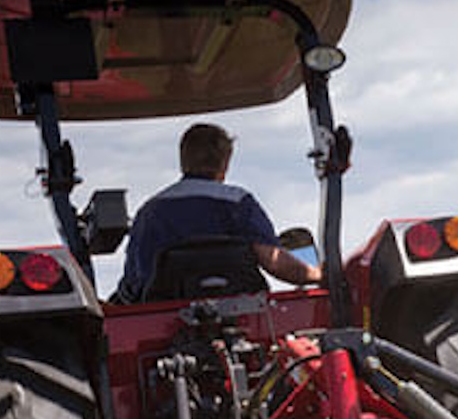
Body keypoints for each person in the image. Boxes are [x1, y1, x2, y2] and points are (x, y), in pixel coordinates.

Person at [115, 122, 322, 302]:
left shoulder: (151, 212)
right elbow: (274, 261)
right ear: (225, 162)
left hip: (165, 329)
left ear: (183, 159)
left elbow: (136, 284)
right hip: (244, 318)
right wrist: (318, 274)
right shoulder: (239, 203)